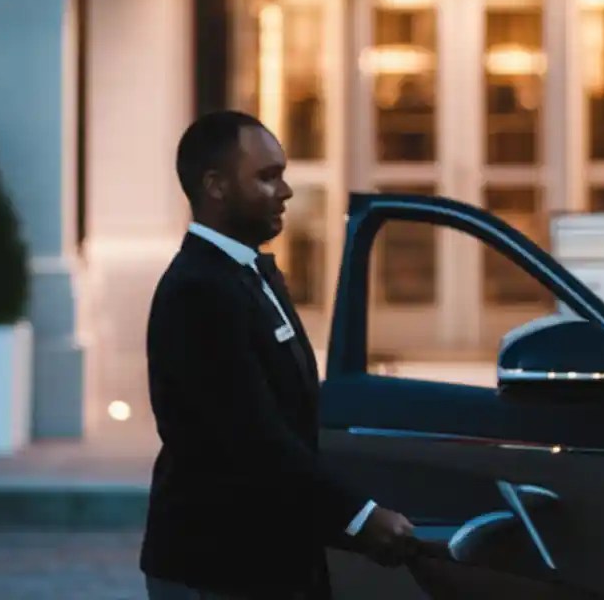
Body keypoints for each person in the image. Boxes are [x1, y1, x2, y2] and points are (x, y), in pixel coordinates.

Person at [141, 111, 415, 599]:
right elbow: (250, 436)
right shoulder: (198, 290)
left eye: (283, 174)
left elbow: (290, 416)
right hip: (217, 566)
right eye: (267, 177)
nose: (286, 191)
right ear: (216, 187)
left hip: (270, 561)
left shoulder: (249, 273)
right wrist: (359, 517)